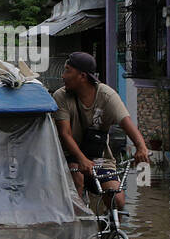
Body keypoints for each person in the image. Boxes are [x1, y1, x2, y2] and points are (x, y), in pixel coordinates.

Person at [53, 51, 150, 209]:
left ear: (82, 76)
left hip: (100, 159)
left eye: (68, 70)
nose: (63, 76)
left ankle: (111, 230)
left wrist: (141, 147)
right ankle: (78, 225)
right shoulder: (61, 96)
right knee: (76, 179)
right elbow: (65, 134)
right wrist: (81, 159)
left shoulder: (107, 95)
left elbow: (126, 122)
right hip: (70, 156)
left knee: (117, 200)